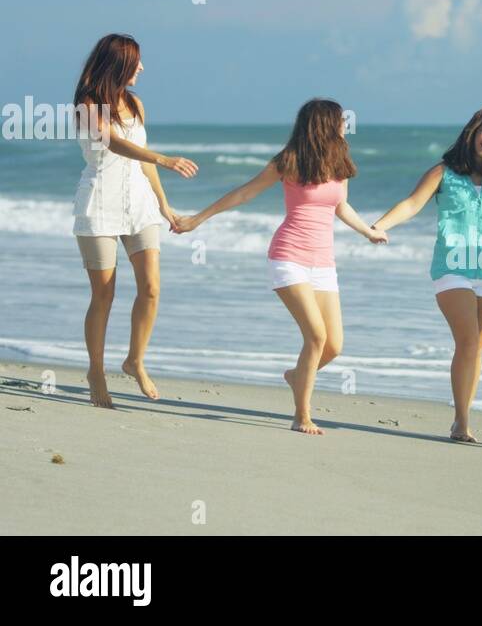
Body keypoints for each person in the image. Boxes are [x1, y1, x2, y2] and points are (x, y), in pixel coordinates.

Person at [173, 99, 387, 435]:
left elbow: (341, 206)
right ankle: (302, 416)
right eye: (340, 119)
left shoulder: (340, 162)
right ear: (324, 124)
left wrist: (368, 232)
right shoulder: (288, 161)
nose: (346, 123)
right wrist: (197, 219)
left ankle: (296, 376)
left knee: (334, 345)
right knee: (316, 336)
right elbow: (244, 193)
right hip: (289, 257)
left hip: (323, 262)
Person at [372, 108, 482, 443]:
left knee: (476, 347)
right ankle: (462, 423)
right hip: (452, 268)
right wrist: (379, 226)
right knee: (467, 341)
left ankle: (460, 416)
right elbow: (412, 203)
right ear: (471, 131)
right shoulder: (443, 172)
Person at [72, 33, 199, 408]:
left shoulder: (136, 103)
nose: (142, 68)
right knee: (104, 294)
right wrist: (164, 158)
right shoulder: (87, 104)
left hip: (140, 205)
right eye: (136, 61)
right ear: (118, 63)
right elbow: (112, 142)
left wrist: (165, 206)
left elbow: (140, 161)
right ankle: (96, 370)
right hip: (99, 205)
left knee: (152, 288)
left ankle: (134, 360)